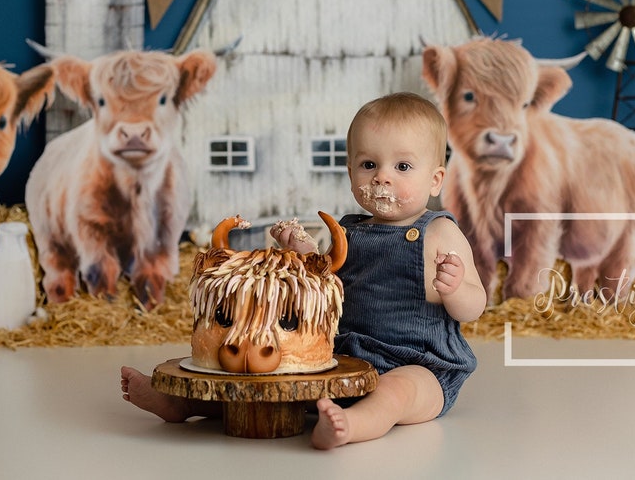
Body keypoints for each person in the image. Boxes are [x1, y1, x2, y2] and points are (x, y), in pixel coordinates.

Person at [119, 92, 486, 449]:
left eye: (402, 166)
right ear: (350, 170)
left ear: (436, 179)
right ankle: (186, 405)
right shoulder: (349, 230)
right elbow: (326, 278)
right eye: (368, 165)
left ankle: (353, 426)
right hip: (345, 357)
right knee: (280, 387)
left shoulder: (439, 232)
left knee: (396, 392)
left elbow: (475, 306)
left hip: (420, 364)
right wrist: (304, 252)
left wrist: (455, 289)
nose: (381, 177)